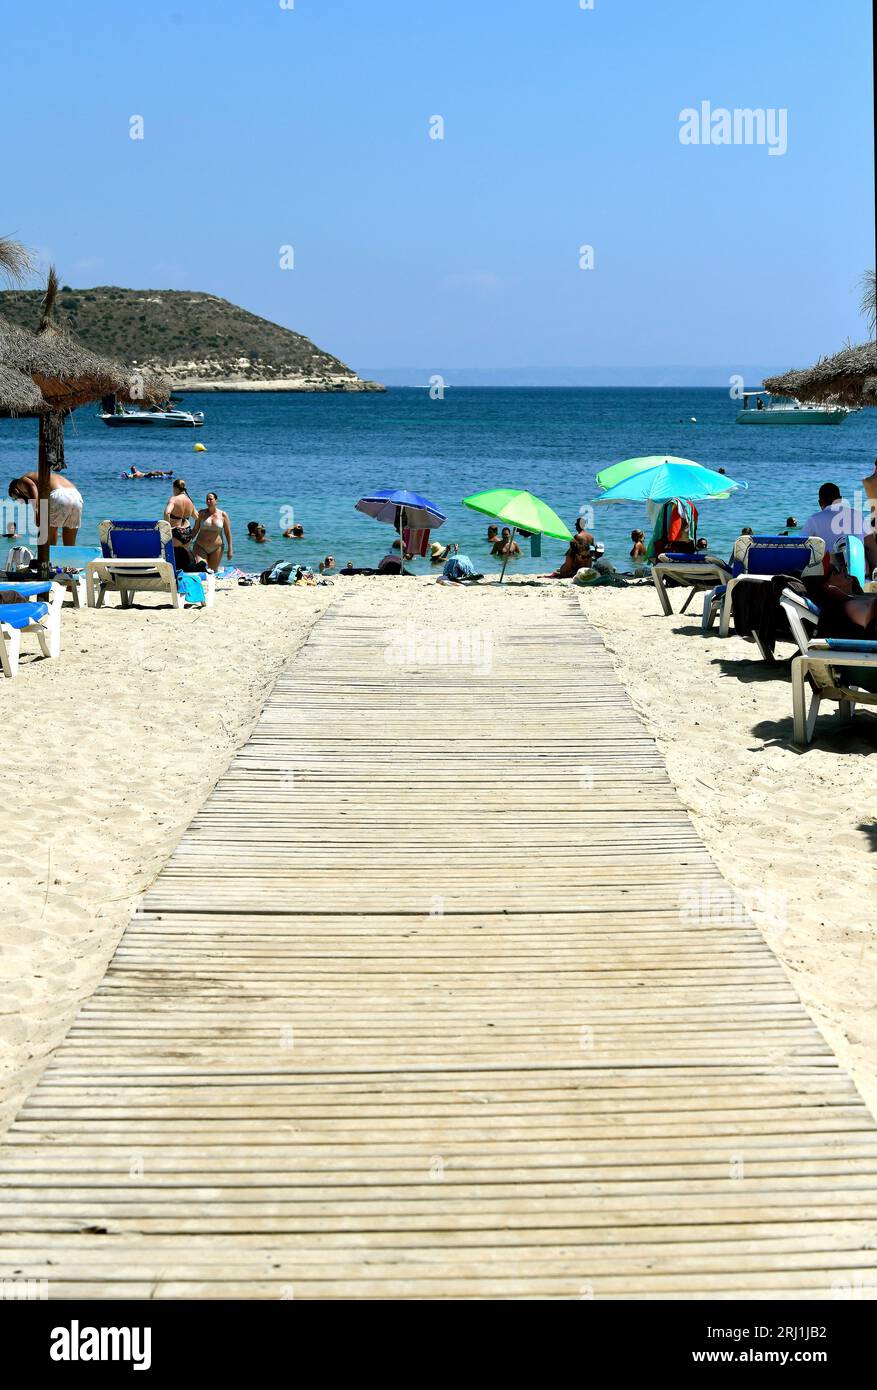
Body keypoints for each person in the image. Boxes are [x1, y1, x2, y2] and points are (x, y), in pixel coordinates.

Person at [8, 469, 83, 545]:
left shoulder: (21, 481)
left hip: (58, 494)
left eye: (15, 498)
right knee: (69, 544)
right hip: (76, 496)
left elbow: (31, 486)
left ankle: (48, 556)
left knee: (43, 540)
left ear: (16, 491)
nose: (19, 502)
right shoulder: (42, 483)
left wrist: (36, 512)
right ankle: (67, 556)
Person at [799, 482, 866, 557]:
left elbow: (800, 545)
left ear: (820, 502)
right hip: (857, 566)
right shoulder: (857, 515)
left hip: (829, 567)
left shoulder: (814, 520)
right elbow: (870, 544)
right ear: (840, 500)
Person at [191, 491, 233, 569]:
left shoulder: (223, 515)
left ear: (216, 501)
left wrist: (230, 548)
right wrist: (187, 542)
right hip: (200, 546)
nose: (208, 501)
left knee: (212, 571)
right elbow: (195, 529)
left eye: (210, 499)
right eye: (207, 499)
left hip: (217, 548)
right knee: (201, 568)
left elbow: (227, 532)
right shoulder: (201, 513)